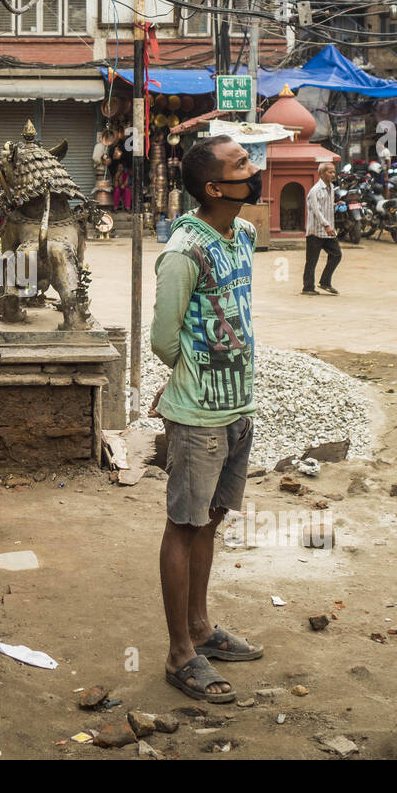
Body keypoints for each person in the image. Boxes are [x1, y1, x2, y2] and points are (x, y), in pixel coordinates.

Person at [150, 135, 263, 704]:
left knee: (212, 519)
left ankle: (200, 627)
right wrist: (192, 377)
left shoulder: (242, 234)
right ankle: (179, 655)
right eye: (242, 163)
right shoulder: (183, 251)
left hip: (238, 405)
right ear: (215, 188)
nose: (256, 168)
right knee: (185, 526)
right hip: (198, 415)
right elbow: (162, 340)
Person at [302, 160, 340, 296]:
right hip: (315, 231)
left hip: (328, 231)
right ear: (322, 174)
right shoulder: (315, 190)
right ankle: (307, 287)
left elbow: (325, 206)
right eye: (330, 172)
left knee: (337, 255)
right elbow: (316, 211)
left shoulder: (331, 187)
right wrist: (327, 226)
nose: (333, 174)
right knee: (312, 261)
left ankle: (325, 282)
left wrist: (335, 204)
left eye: (334, 171)